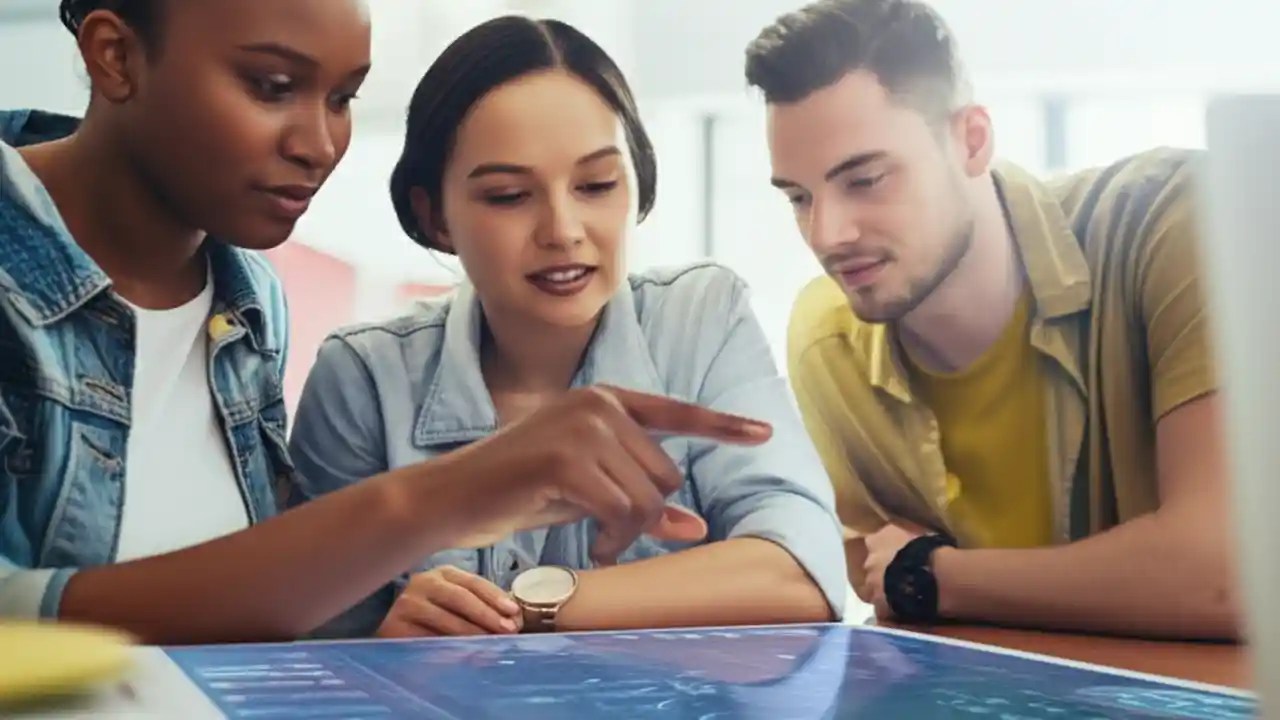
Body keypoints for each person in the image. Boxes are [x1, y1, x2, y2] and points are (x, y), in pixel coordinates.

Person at [0, 0, 770, 646]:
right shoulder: (363, 368)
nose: (319, 145)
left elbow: (268, 629)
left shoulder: (246, 301)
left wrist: (384, 634)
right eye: (272, 87)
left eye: (343, 98)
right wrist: (433, 503)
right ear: (116, 56)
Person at [287, 15, 846, 639]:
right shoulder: (363, 380)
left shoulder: (699, 320)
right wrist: (387, 642)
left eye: (596, 185)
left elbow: (801, 569)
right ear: (435, 215)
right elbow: (310, 640)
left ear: (638, 181)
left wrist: (524, 607)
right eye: (508, 195)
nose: (563, 230)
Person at [744, 0, 1238, 639]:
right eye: (799, 197)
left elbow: (1229, 574)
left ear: (971, 140)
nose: (827, 235)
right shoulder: (826, 342)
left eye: (865, 180)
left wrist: (936, 577)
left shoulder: (1171, 222)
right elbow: (886, 592)